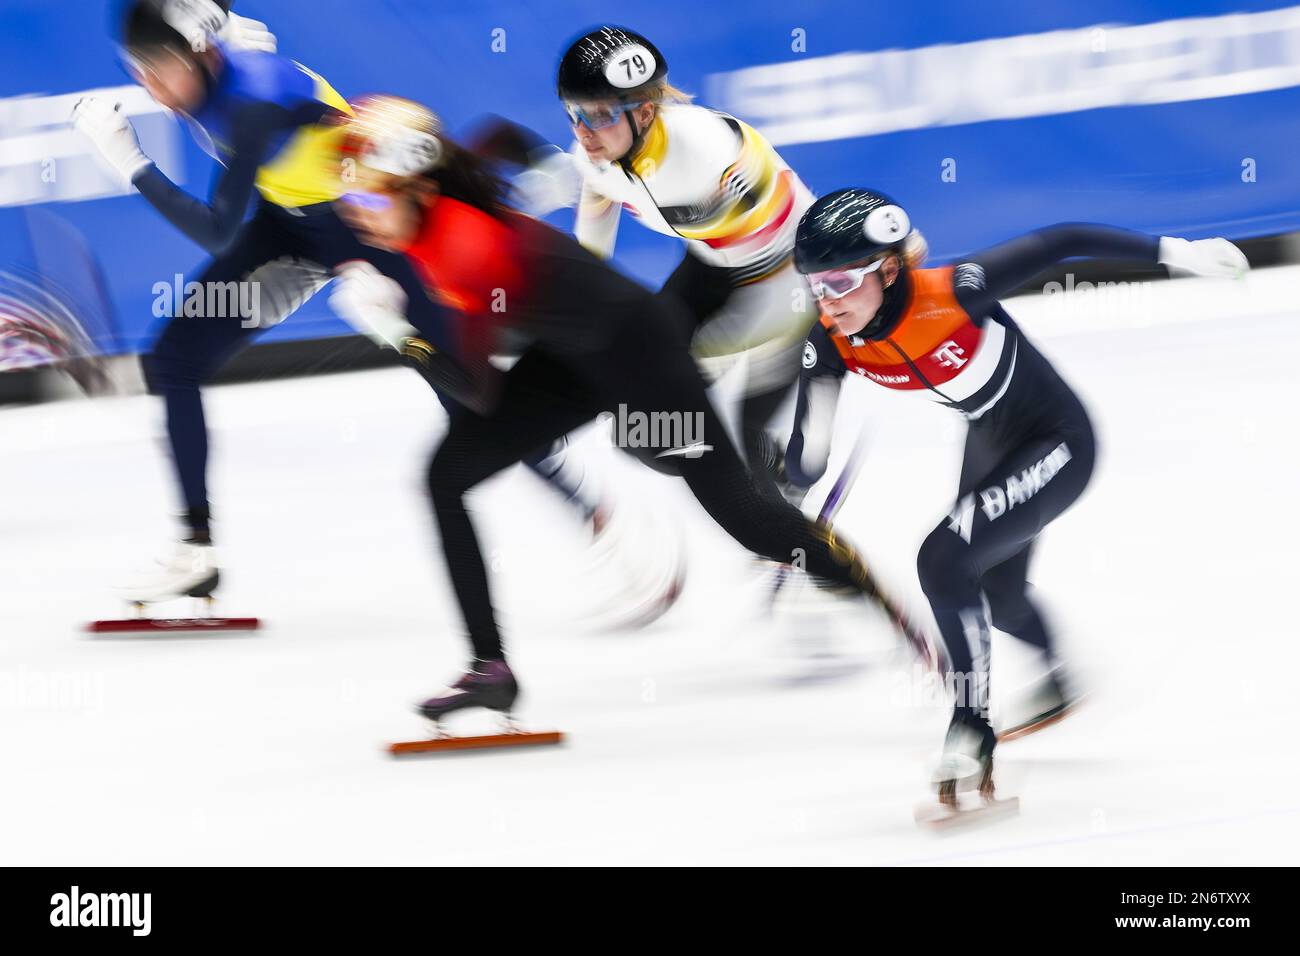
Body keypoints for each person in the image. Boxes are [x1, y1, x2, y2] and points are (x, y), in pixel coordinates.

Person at [325, 97, 918, 726]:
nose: (357, 219)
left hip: (640, 354)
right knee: (447, 477)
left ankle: (894, 613)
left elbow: (477, 392)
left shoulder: (467, 250)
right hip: (571, 358)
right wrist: (547, 167)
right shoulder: (437, 196)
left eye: (367, 202)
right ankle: (490, 671)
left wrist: (397, 332)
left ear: (414, 188)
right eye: (347, 205)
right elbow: (495, 131)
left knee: (744, 515)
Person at [71, 0, 603, 607]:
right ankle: (198, 548)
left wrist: (132, 164)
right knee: (174, 358)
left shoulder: (253, 97)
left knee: (468, 397)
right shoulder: (217, 69)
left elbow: (218, 229)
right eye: (137, 66)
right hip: (290, 228)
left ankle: (595, 515)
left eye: (161, 65)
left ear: (202, 52)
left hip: (369, 229)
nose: (151, 84)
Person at [788, 187, 1248, 802]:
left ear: (890, 268)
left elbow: (1064, 242)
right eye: (816, 286)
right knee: (998, 597)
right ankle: (1059, 678)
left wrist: (1177, 253)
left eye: (841, 282)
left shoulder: (954, 290)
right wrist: (784, 486)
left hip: (1057, 443)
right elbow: (807, 457)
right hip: (990, 442)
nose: (828, 302)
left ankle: (971, 727)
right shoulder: (830, 341)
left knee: (943, 559)